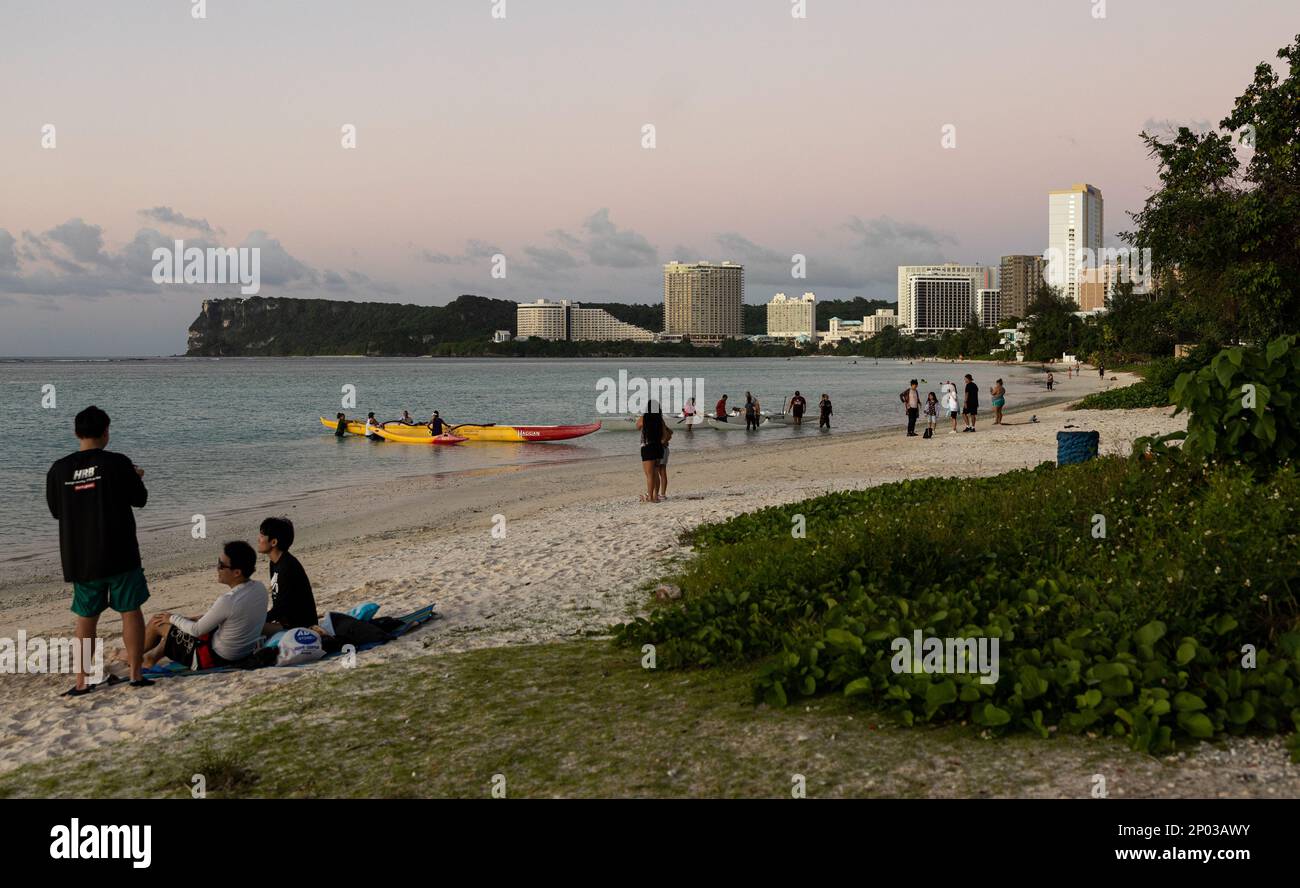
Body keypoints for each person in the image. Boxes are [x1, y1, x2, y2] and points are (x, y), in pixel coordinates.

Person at [46, 406, 153, 695]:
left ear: (76, 433)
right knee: (130, 610)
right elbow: (139, 499)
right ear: (106, 432)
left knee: (86, 617)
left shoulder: (59, 469)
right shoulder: (118, 463)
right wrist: (137, 476)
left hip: (81, 556)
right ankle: (135, 673)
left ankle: (82, 680)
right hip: (120, 552)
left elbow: (57, 511)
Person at [142, 541, 267, 670]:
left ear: (237, 573)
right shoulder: (259, 588)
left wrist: (171, 618)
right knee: (183, 624)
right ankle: (151, 658)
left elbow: (196, 630)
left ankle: (132, 656)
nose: (217, 568)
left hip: (212, 658)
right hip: (241, 652)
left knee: (158, 622)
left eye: (221, 565)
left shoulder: (228, 600)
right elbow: (235, 617)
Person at [258, 517, 318, 635]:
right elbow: (280, 604)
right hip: (286, 622)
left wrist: (258, 621)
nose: (258, 539)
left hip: (300, 626)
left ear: (274, 542)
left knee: (249, 630)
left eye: (262, 536)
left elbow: (281, 607)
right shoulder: (275, 562)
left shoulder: (288, 566)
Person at [636, 401, 670, 502]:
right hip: (658, 448)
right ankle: (655, 496)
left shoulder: (644, 418)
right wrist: (661, 442)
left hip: (647, 448)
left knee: (649, 475)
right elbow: (666, 435)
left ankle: (650, 497)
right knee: (655, 473)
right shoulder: (660, 420)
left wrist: (643, 417)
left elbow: (637, 426)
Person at [658, 423, 673, 499]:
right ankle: (662, 494)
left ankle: (661, 493)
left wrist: (662, 442)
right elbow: (671, 432)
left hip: (662, 449)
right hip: (664, 449)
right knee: (661, 471)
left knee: (660, 471)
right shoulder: (661, 424)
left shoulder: (660, 424)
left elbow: (670, 433)